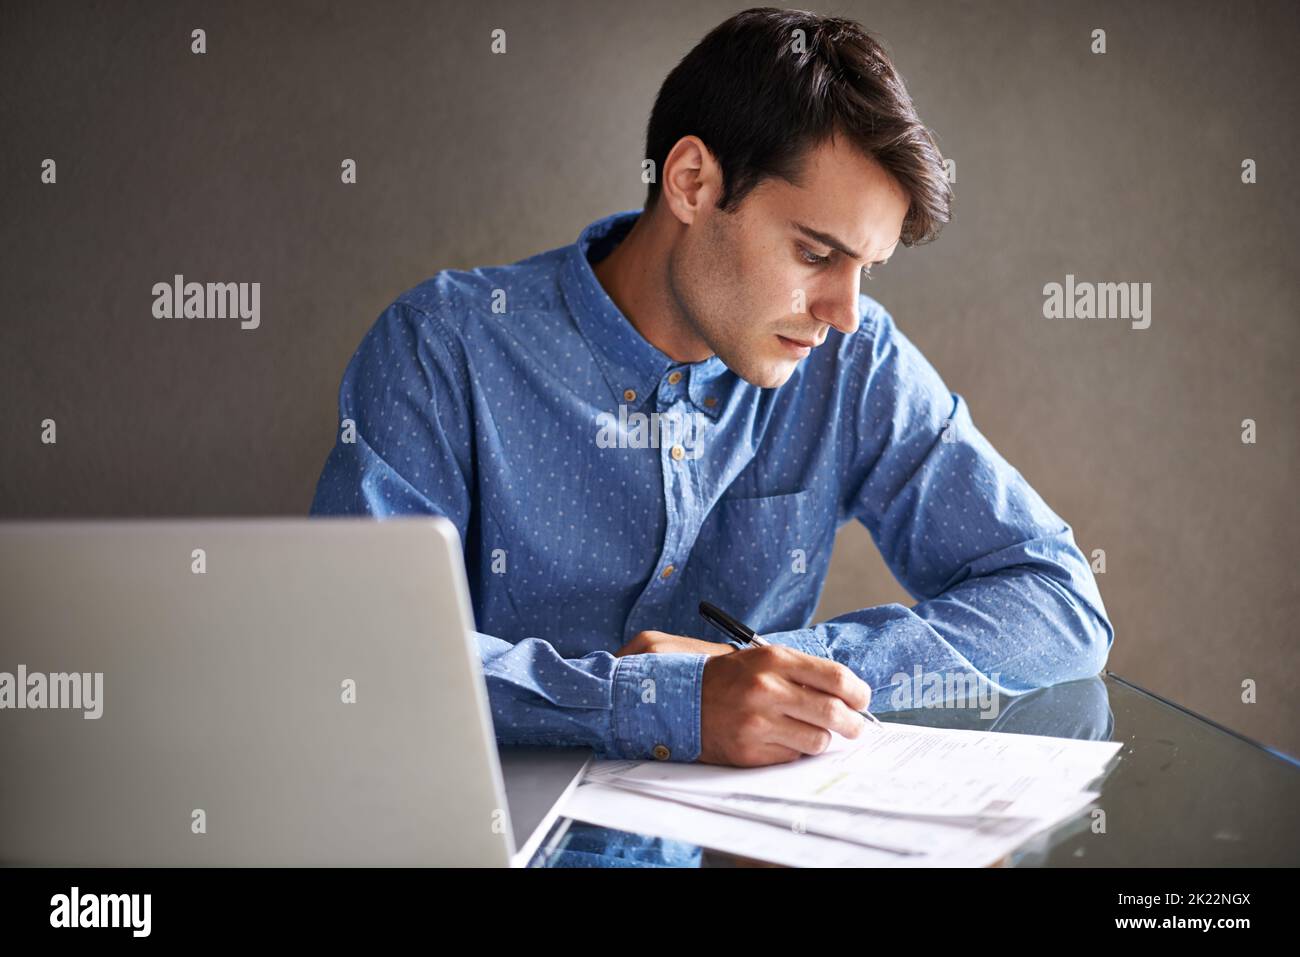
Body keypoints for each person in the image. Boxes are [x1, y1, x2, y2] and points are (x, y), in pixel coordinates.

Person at [310, 7, 1112, 768]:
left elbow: (1058, 603)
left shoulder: (851, 361)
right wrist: (662, 702)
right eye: (814, 254)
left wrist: (785, 673)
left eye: (867, 269)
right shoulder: (443, 345)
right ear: (692, 181)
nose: (843, 312)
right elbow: (359, 654)